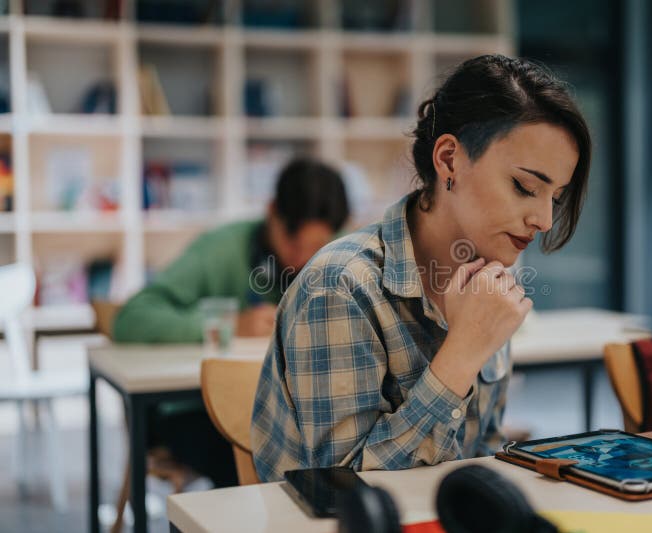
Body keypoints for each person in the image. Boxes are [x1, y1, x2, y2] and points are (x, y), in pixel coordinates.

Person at [251, 54, 592, 482]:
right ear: (449, 160)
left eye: (555, 198)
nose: (543, 220)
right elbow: (341, 493)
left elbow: (479, 455)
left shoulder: (487, 285)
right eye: (525, 187)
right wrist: (462, 352)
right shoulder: (338, 286)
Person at [113, 156, 350, 488]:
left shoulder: (344, 254)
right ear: (271, 213)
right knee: (265, 470)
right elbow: (131, 318)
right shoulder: (221, 249)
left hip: (290, 409)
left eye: (316, 248)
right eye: (294, 244)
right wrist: (228, 325)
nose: (302, 261)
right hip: (196, 410)